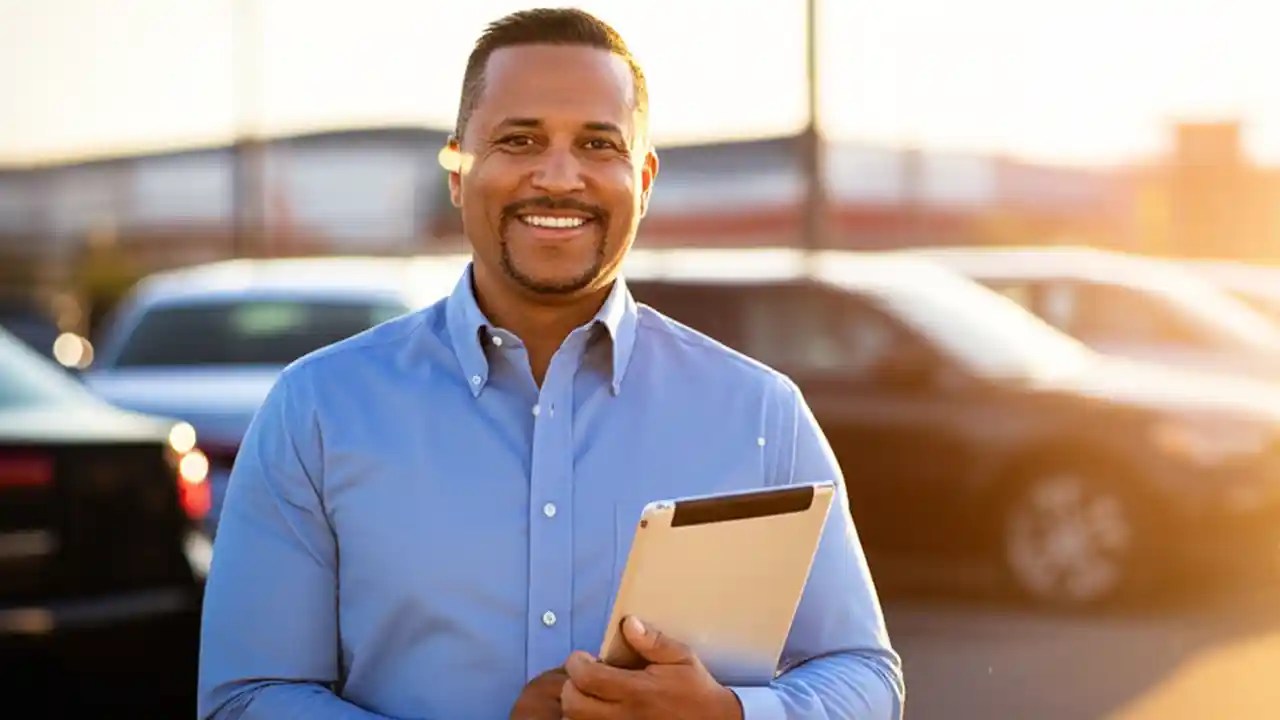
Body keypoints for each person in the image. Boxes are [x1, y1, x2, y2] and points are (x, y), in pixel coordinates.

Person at [197, 7, 904, 719]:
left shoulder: (759, 414)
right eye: (519, 139)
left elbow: (863, 676)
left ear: (645, 178)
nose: (560, 177)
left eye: (599, 144)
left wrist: (730, 714)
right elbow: (246, 698)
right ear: (456, 170)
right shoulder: (317, 410)